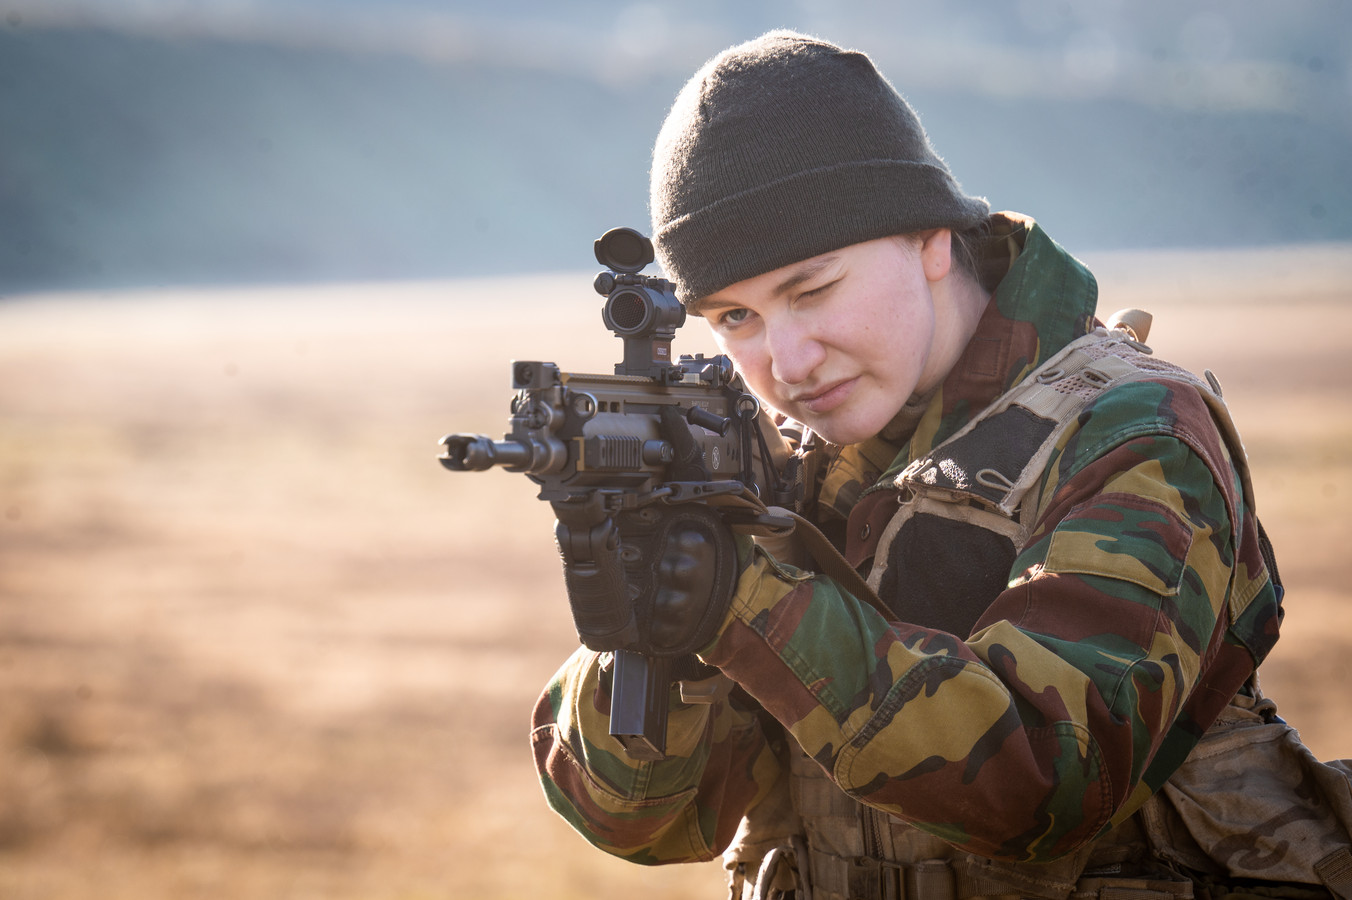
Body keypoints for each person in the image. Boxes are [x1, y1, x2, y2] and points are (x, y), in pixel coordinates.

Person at [529, 31, 1352, 900]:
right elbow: (644, 825)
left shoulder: (1134, 433)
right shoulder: (782, 469)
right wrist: (663, 636)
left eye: (813, 291)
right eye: (736, 318)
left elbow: (1048, 784)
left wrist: (745, 601)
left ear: (928, 238)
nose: (787, 361)